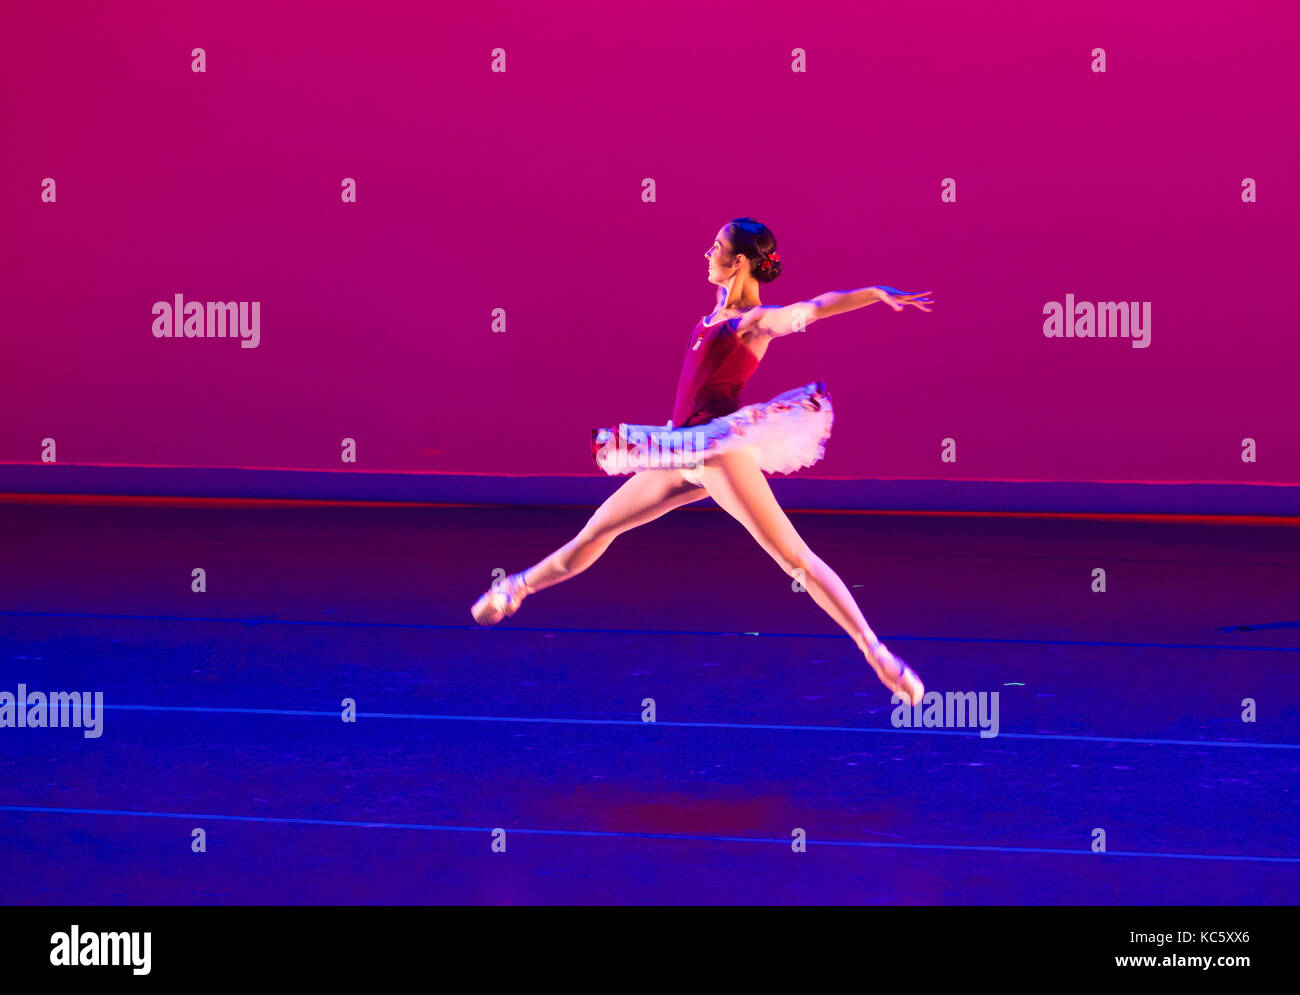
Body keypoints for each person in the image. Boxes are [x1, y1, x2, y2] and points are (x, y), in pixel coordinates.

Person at [471, 217, 934, 705]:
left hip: (719, 453)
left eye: (715, 247)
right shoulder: (718, 309)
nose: (705, 253)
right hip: (679, 450)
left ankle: (874, 649)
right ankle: (515, 589)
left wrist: (873, 293)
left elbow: (811, 308)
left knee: (793, 559)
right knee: (598, 530)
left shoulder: (750, 322)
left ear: (736, 262)